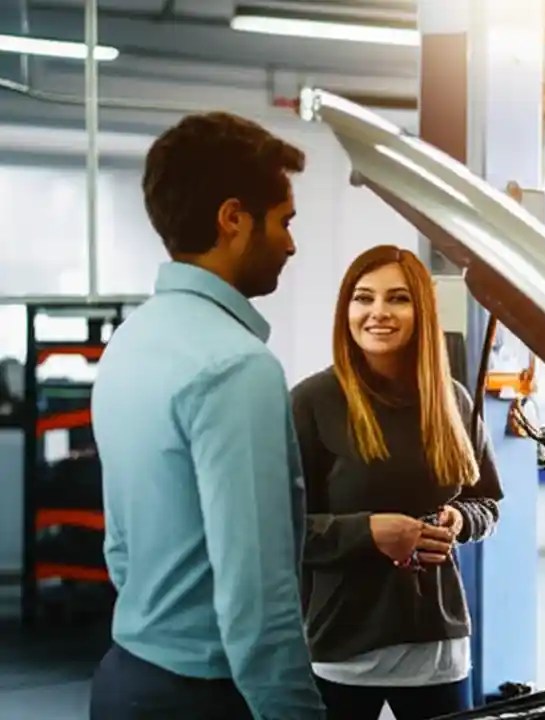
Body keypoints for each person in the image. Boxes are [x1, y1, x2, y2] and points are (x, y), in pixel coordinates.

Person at [89, 112, 325, 718]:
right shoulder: (236, 366)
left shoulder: (130, 342)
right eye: (284, 221)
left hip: (126, 675)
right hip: (206, 697)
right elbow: (258, 598)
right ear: (233, 219)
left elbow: (120, 546)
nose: (291, 244)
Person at [291, 245, 504, 719]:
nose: (378, 313)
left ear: (421, 312)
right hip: (342, 647)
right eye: (363, 298)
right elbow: (279, 528)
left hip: (437, 646)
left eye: (398, 299)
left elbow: (486, 500)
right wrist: (368, 533)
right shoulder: (311, 402)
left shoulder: (452, 400)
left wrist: (458, 520)